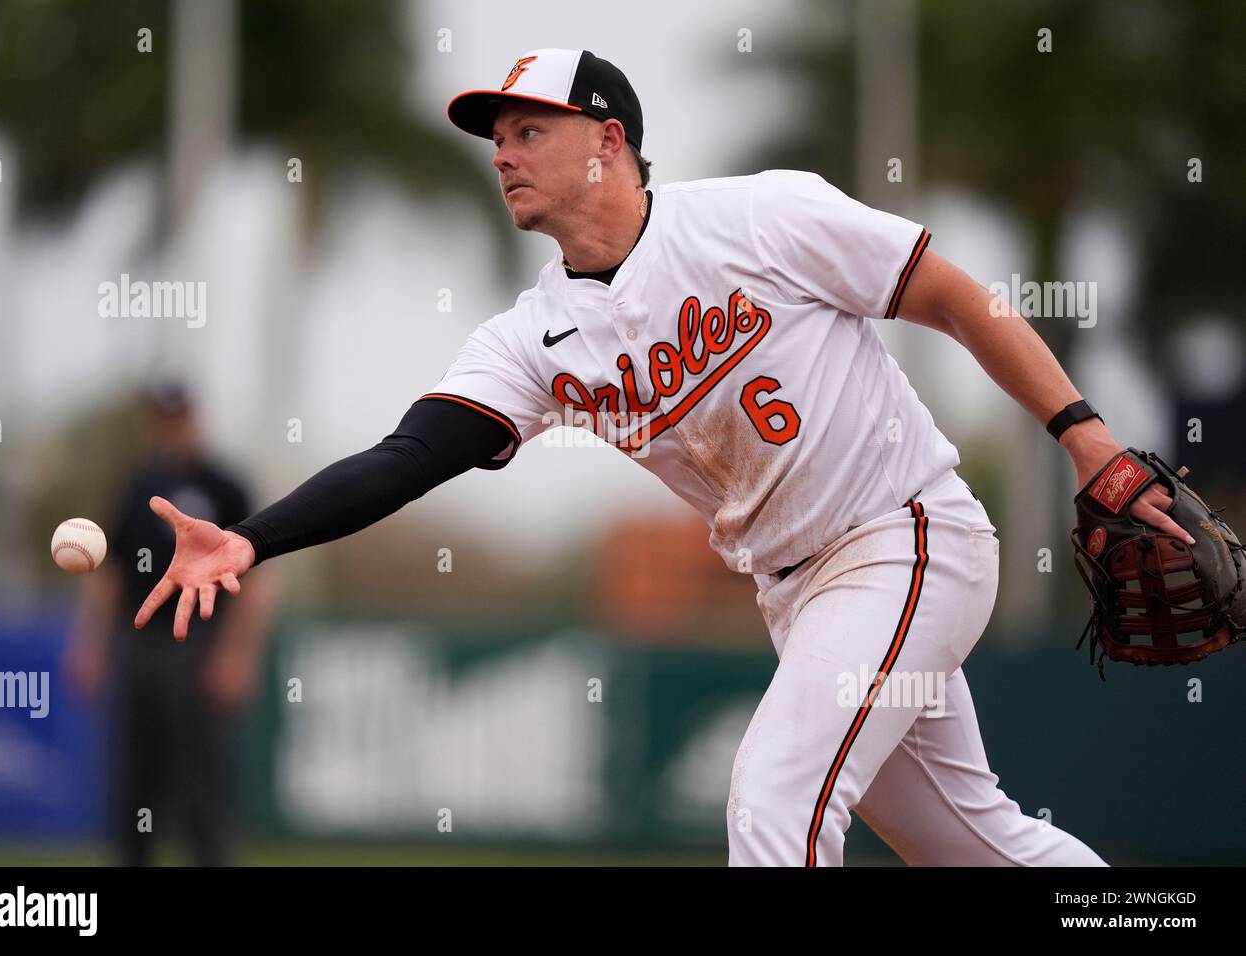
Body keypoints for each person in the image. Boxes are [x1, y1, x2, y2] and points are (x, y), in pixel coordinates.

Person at [130, 49, 1195, 866]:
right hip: (800, 596)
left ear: (605, 138)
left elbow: (957, 297)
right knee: (976, 845)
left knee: (775, 797)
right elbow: (413, 453)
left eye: (526, 129)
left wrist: (1083, 436)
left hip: (907, 535)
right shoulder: (531, 338)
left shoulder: (757, 217)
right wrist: (253, 536)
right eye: (495, 135)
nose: (501, 151)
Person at [65, 381, 279, 866]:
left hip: (200, 643)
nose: (172, 427)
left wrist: (236, 655)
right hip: (139, 642)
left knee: (204, 779)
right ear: (152, 423)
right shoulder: (137, 484)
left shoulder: (225, 485)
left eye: (179, 416)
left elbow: (261, 579)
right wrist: (89, 647)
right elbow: (109, 574)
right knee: (134, 778)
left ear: (195, 418)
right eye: (163, 418)